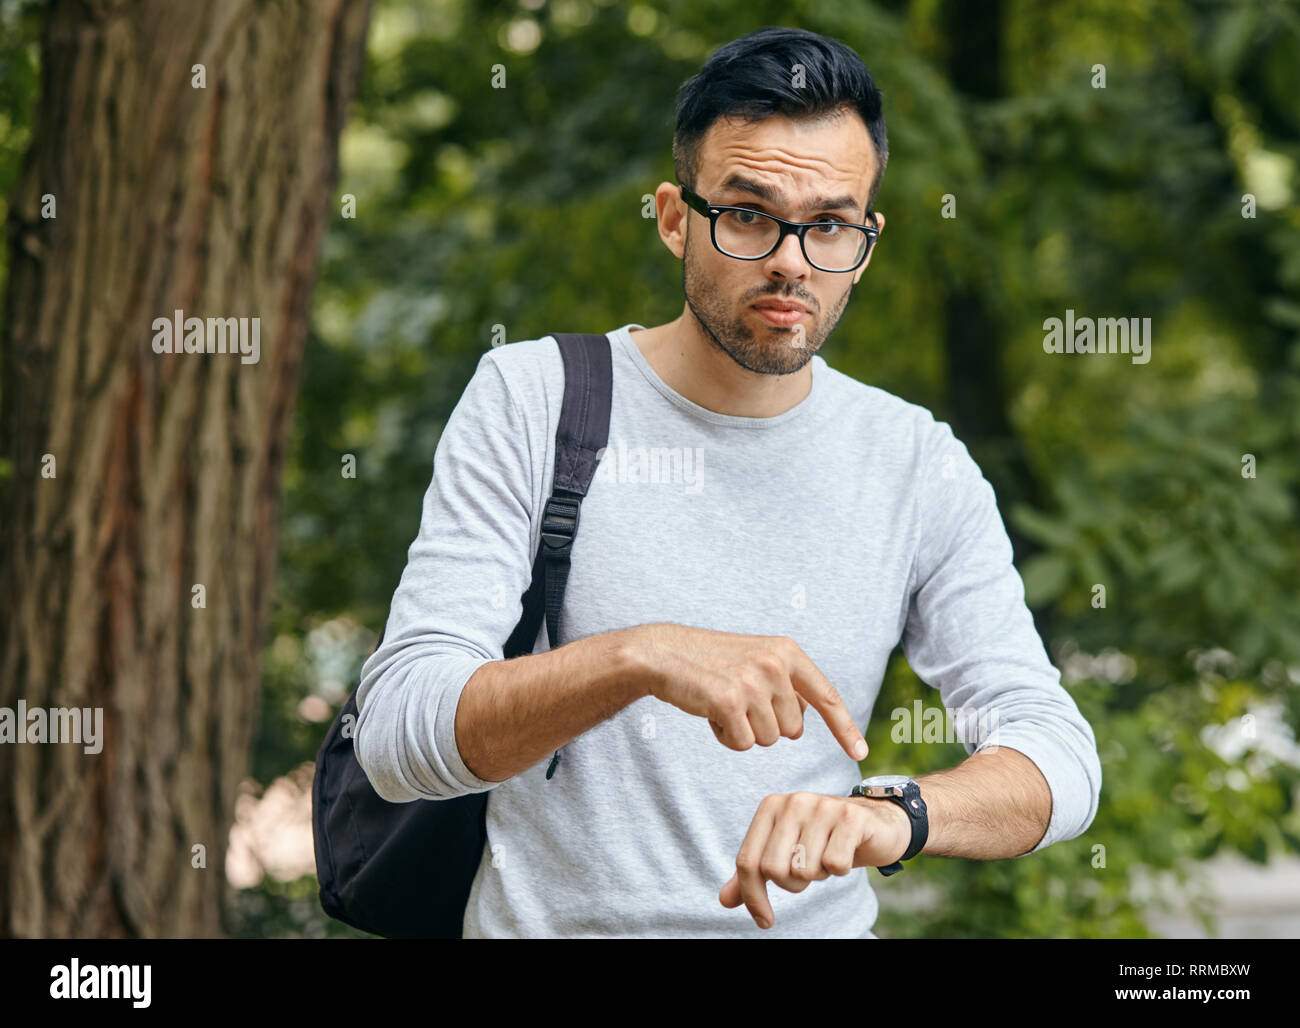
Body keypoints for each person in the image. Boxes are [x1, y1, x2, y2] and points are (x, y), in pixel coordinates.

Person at [353, 25, 1101, 938]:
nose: (791, 258)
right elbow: (395, 738)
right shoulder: (534, 398)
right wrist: (640, 656)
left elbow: (1056, 754)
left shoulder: (916, 462)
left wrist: (891, 816)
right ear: (675, 217)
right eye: (749, 214)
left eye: (827, 223)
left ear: (866, 241)